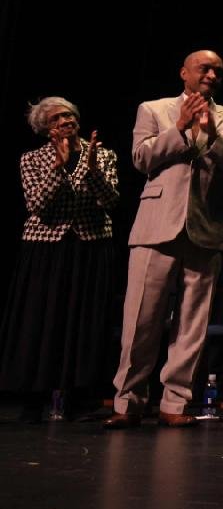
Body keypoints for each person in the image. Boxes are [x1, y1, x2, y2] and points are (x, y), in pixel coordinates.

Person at [104, 50, 223, 429]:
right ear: (184, 72)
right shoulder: (154, 109)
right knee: (142, 319)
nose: (212, 74)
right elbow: (140, 158)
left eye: (218, 69)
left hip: (205, 229)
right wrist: (180, 129)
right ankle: (128, 401)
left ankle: (175, 403)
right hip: (156, 226)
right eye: (205, 68)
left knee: (192, 324)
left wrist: (215, 138)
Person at [0, 97, 118, 422]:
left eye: (69, 115)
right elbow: (38, 205)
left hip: (91, 246)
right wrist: (59, 168)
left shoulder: (102, 154)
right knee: (42, 320)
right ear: (45, 128)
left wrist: (91, 169)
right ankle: (33, 398)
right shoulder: (32, 159)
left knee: (84, 322)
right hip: (45, 248)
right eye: (56, 119)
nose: (65, 121)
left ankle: (82, 399)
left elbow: (110, 199)